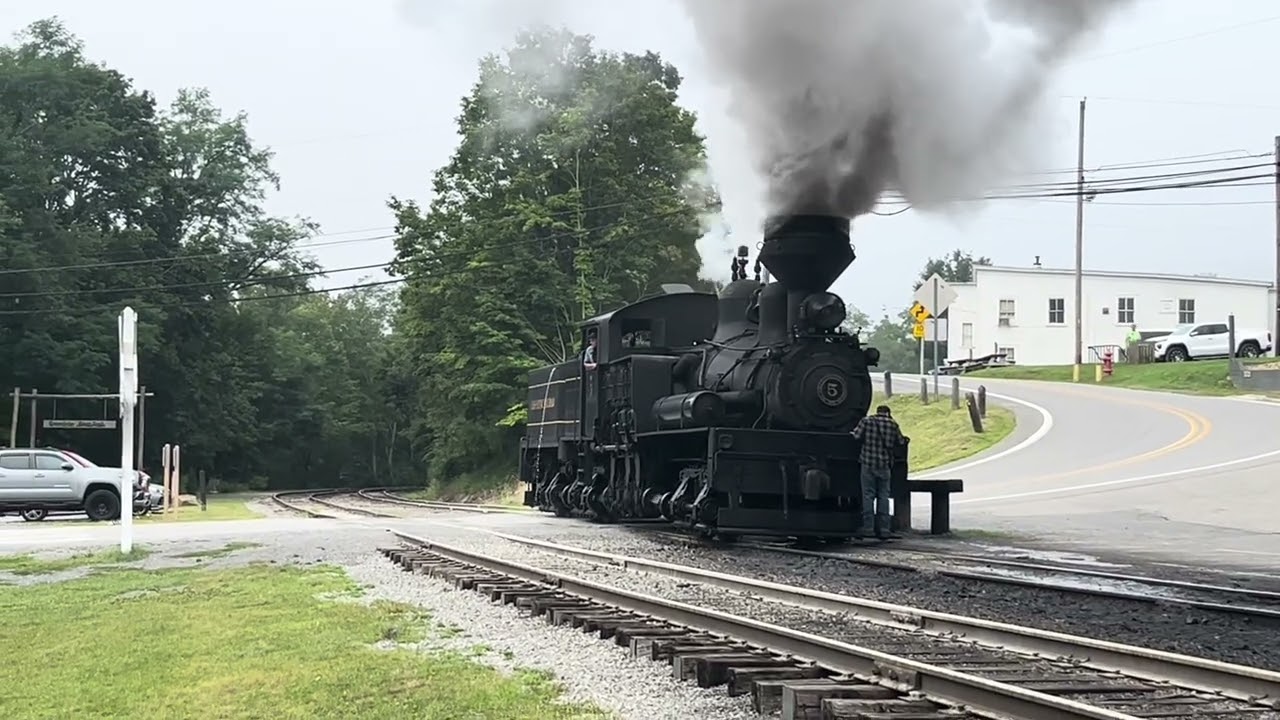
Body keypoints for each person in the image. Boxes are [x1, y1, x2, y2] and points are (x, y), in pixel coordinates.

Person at [851, 404, 905, 540]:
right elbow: (900, 441)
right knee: (883, 496)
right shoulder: (893, 424)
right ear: (888, 413)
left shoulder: (867, 421)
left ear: (877, 411)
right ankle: (884, 528)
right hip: (884, 465)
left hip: (868, 463)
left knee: (868, 495)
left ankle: (868, 528)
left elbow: (856, 436)